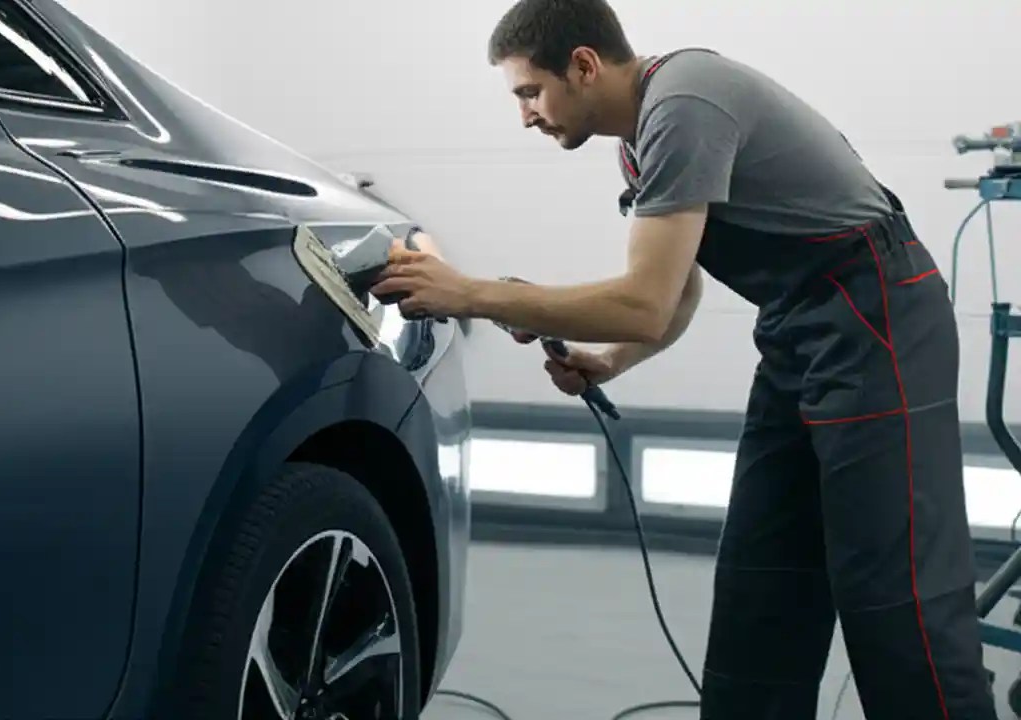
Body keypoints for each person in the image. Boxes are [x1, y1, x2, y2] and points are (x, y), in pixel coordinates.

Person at [366, 0, 998, 717]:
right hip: (798, 329)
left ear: (583, 65)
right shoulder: (639, 139)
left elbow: (644, 301)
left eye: (530, 92)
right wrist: (610, 362)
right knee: (763, 580)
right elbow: (679, 290)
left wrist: (472, 294)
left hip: (880, 317)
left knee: (896, 596)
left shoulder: (685, 106)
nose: (526, 116)